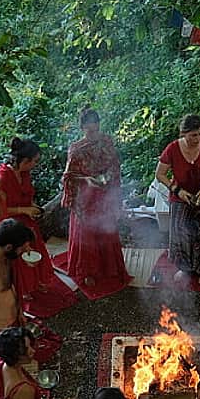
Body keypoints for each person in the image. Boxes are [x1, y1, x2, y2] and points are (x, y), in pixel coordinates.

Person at [61, 107, 130, 290]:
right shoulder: (76, 149)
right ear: (82, 128)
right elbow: (68, 176)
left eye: (96, 129)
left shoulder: (106, 141)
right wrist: (87, 179)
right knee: (87, 234)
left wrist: (108, 178)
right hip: (85, 198)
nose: (93, 135)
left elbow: (115, 165)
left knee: (106, 229)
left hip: (105, 194)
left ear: (99, 126)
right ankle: (87, 272)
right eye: (90, 131)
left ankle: (109, 268)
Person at [154, 114, 200, 285]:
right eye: (193, 135)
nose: (197, 139)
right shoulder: (172, 149)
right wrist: (177, 190)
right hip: (181, 195)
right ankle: (184, 268)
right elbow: (160, 174)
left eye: (199, 134)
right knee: (181, 228)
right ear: (183, 134)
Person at [0, 137, 57, 299]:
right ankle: (23, 288)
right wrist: (24, 210)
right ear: (25, 160)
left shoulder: (25, 173)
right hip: (11, 224)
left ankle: (36, 282)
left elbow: (27, 196)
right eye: (35, 161)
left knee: (35, 249)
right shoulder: (3, 177)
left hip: (27, 220)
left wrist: (34, 207)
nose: (36, 164)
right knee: (20, 255)